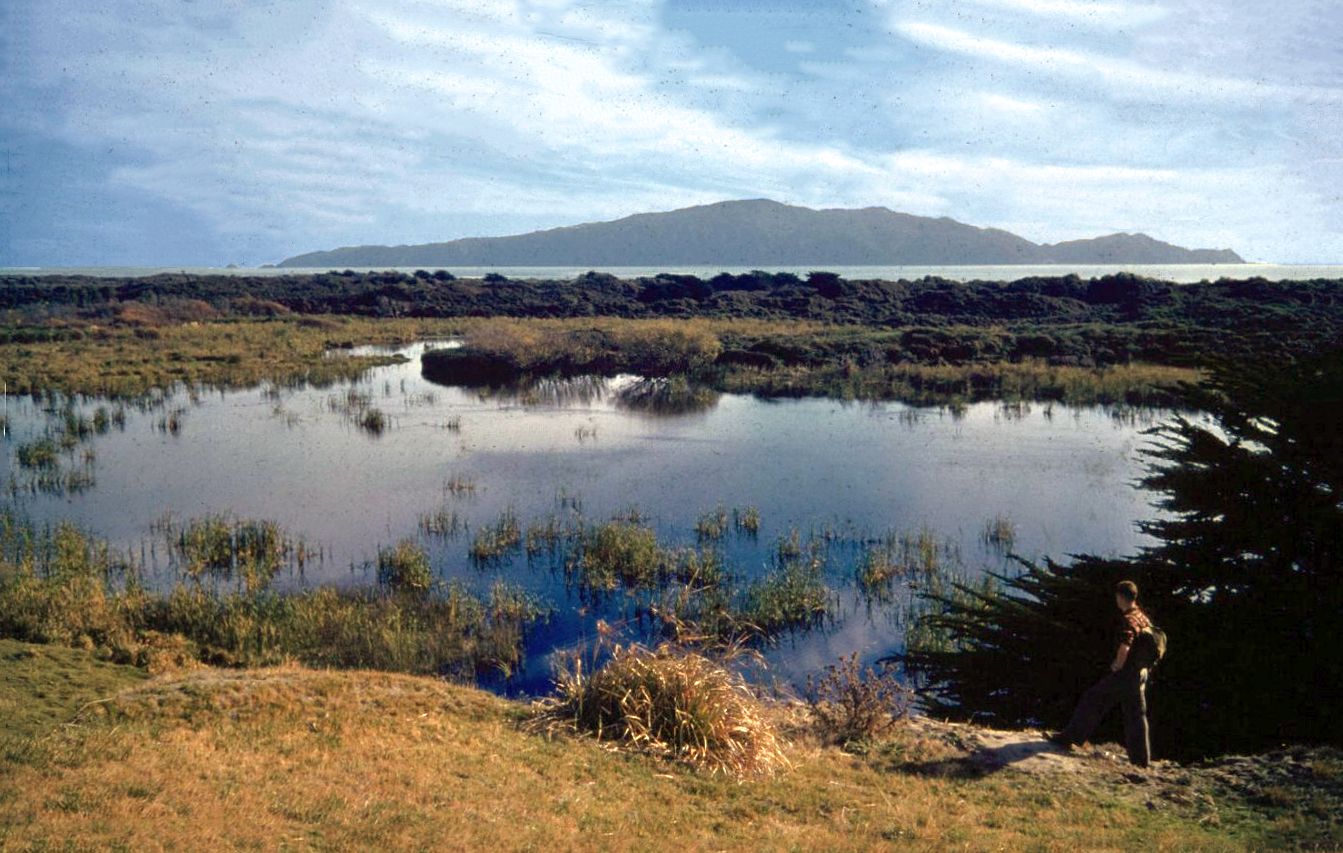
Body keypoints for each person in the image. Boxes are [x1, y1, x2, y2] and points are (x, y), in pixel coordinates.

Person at [1047, 580, 1155, 767]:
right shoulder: (1143, 617)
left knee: (1092, 698)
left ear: (1121, 597)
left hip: (1126, 673)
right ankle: (1141, 762)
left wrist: (1117, 665)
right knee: (1137, 716)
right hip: (1141, 672)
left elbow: (1125, 645)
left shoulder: (1128, 618)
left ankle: (1070, 738)